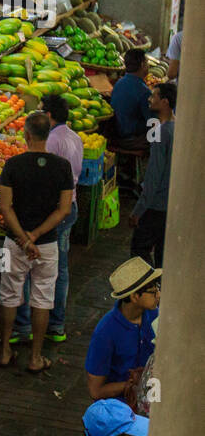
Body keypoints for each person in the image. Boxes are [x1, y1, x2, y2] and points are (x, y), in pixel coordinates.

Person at [0, 111, 75, 374]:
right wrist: (36, 236)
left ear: (26, 135)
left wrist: (22, 238)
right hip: (47, 245)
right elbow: (64, 210)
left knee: (8, 293)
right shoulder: (62, 167)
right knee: (42, 297)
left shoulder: (13, 165)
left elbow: (5, 208)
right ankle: (36, 357)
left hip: (12, 244)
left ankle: (6, 351)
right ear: (48, 134)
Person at [11, 94, 84, 344]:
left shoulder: (50, 142)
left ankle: (24, 327)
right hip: (69, 207)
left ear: (49, 117)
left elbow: (39, 181)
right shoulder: (75, 137)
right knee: (60, 269)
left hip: (50, 214)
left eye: (41, 111)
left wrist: (33, 233)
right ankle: (56, 324)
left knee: (33, 270)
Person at [85, 257, 159, 402]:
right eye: (153, 292)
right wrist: (132, 384)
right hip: (120, 409)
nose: (159, 295)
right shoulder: (105, 332)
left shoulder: (154, 314)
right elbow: (96, 391)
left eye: (158, 288)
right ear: (135, 297)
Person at [130, 82, 175, 268]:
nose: (149, 99)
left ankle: (147, 292)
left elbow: (153, 176)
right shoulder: (176, 126)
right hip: (169, 203)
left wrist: (139, 210)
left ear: (164, 102)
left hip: (155, 205)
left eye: (153, 96)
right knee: (162, 256)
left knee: (139, 250)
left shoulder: (160, 132)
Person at [109, 48, 152, 149]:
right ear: (142, 65)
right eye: (147, 62)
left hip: (116, 134)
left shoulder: (118, 83)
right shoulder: (144, 91)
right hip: (130, 139)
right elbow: (152, 121)